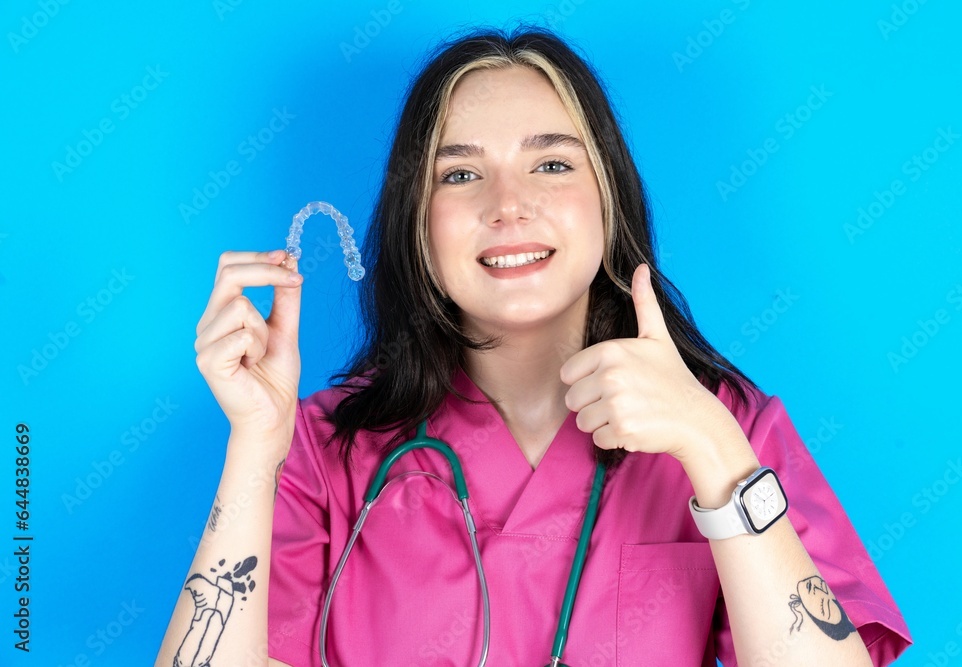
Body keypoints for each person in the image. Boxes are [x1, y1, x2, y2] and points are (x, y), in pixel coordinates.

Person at [156, 26, 912, 666]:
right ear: (419, 222)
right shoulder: (321, 449)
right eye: (460, 174)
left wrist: (715, 455)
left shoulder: (728, 427)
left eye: (551, 163)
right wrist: (255, 445)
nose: (508, 205)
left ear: (609, 198)